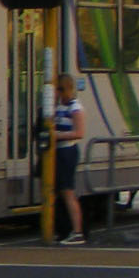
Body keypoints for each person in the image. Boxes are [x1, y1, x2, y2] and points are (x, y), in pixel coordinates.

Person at [52, 72, 87, 244]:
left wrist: (58, 135)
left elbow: (79, 132)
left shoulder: (75, 107)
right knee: (61, 192)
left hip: (67, 151)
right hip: (58, 151)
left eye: (57, 90)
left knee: (68, 191)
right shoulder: (59, 106)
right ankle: (64, 229)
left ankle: (78, 231)